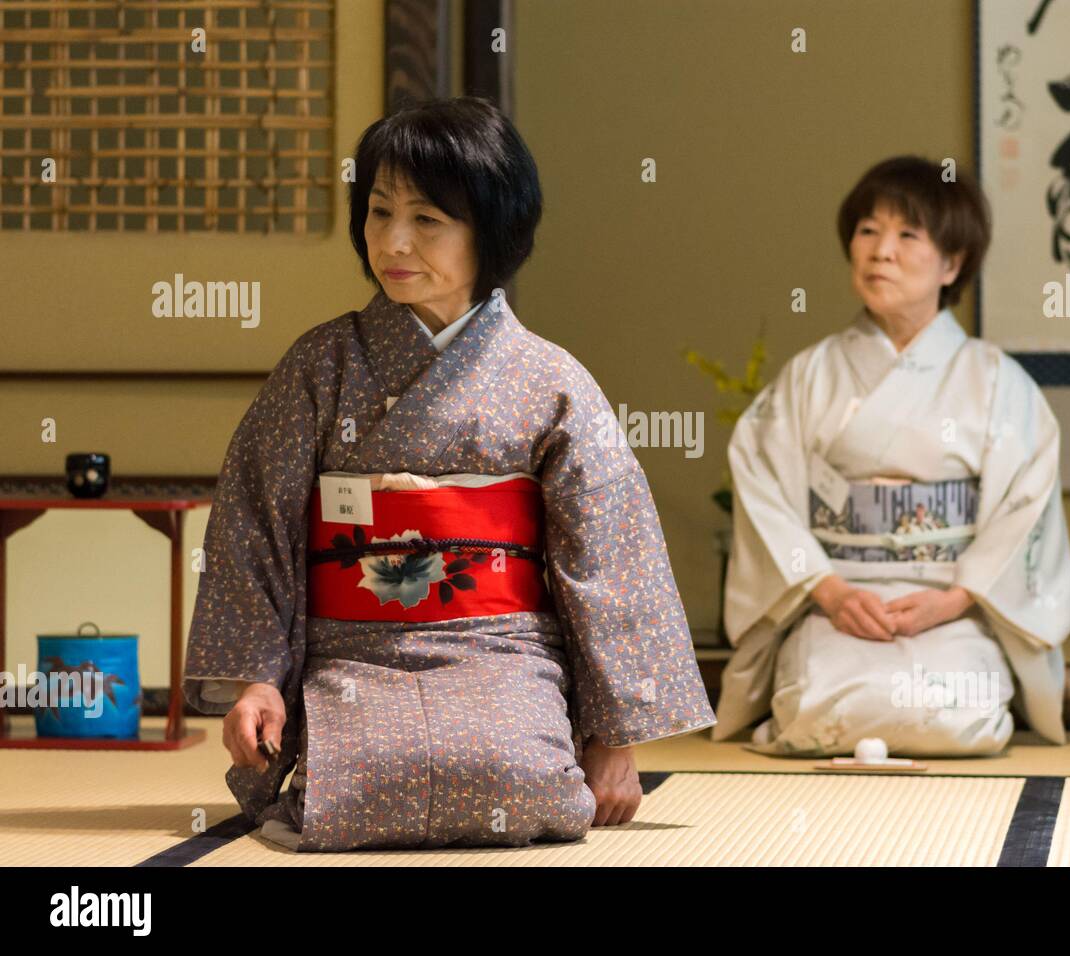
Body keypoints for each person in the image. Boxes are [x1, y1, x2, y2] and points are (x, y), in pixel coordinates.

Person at [183, 97, 716, 852]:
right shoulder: (319, 367)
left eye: (427, 220)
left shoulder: (549, 380)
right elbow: (253, 528)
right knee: (350, 792)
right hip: (353, 655)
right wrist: (257, 682)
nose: (394, 241)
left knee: (522, 780)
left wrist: (612, 737)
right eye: (378, 212)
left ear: (490, 232)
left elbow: (608, 559)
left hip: (502, 653)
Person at [712, 155, 1070, 757]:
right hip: (837, 604)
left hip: (949, 606)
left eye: (908, 235)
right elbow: (764, 489)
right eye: (867, 231)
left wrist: (956, 600)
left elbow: (1024, 511)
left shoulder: (996, 382)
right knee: (816, 707)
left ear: (952, 263)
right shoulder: (811, 376)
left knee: (957, 714)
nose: (881, 250)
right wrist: (830, 593)